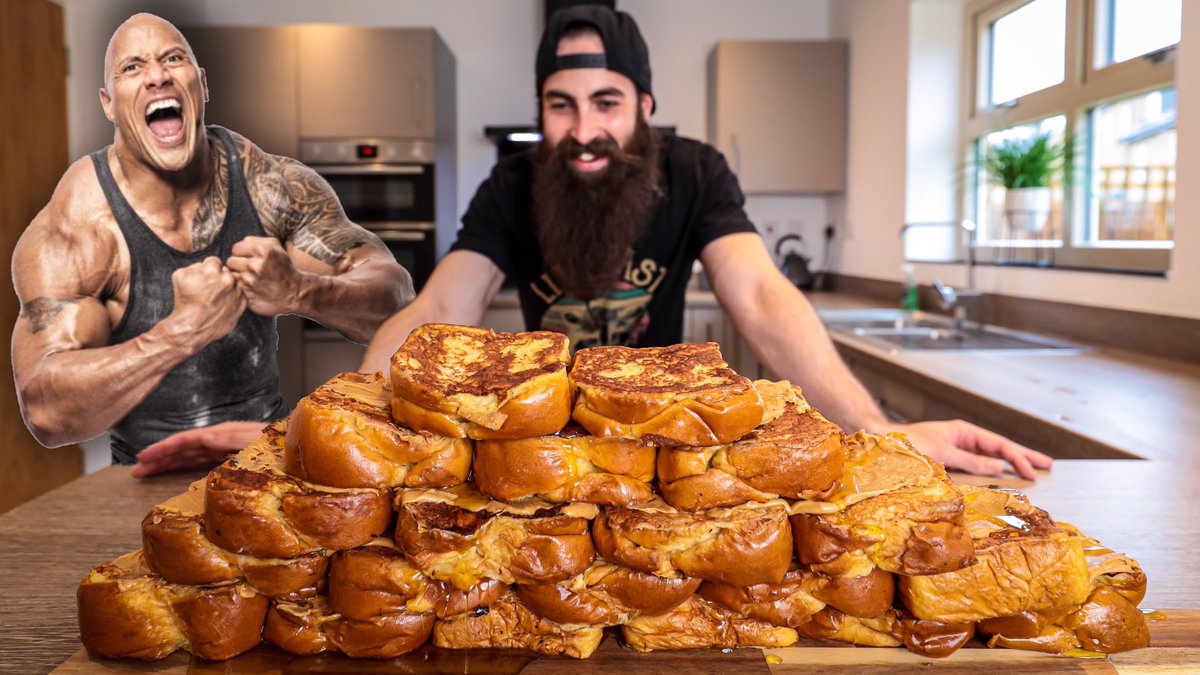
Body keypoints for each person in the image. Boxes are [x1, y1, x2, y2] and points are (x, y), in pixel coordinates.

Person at [359, 5, 1052, 480]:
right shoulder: (512, 184)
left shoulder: (694, 172)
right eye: (561, 105)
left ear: (644, 107)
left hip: (671, 441)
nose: (584, 131)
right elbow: (439, 308)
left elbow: (759, 294)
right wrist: (354, 413)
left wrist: (875, 430)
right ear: (541, 109)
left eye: (606, 102)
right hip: (554, 446)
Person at [11, 13, 413, 477]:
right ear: (109, 104)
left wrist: (300, 291)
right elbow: (45, 412)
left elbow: (397, 302)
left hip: (267, 468)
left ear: (201, 84)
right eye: (132, 68)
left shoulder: (270, 185)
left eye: (172, 59)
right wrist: (180, 334)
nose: (157, 76)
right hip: (143, 481)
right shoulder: (80, 225)